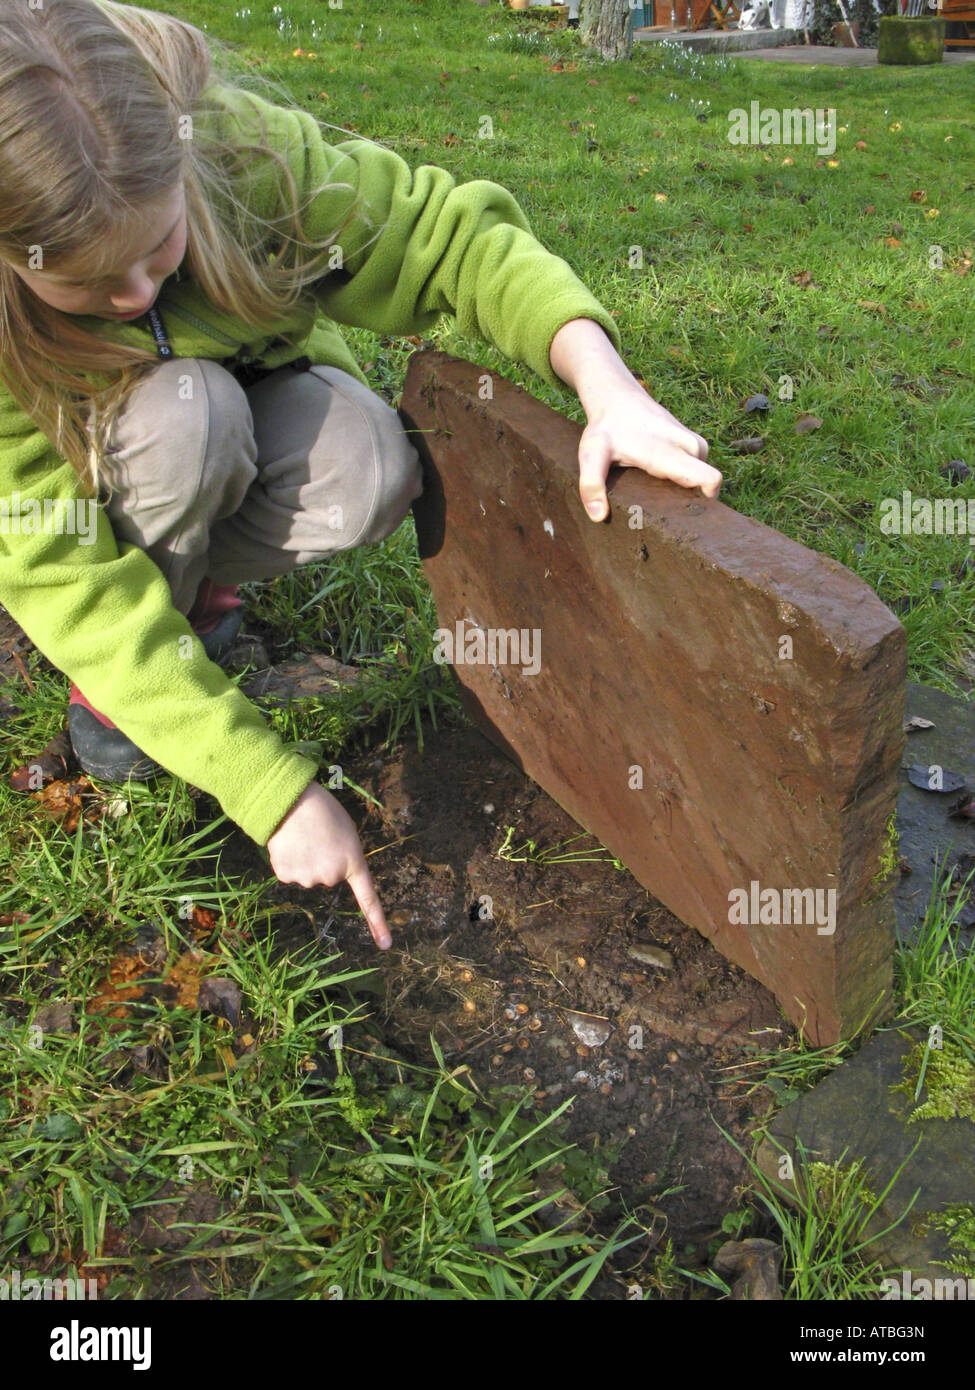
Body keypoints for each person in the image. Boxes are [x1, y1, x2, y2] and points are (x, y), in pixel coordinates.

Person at [0, 0, 721, 953]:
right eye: (91, 283)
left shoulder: (238, 156)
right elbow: (70, 584)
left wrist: (603, 381)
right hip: (137, 461)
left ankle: (199, 600)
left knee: (372, 461)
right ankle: (133, 687)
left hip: (243, 413)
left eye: (157, 245)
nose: (137, 296)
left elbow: (443, 238)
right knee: (189, 418)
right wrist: (271, 788)